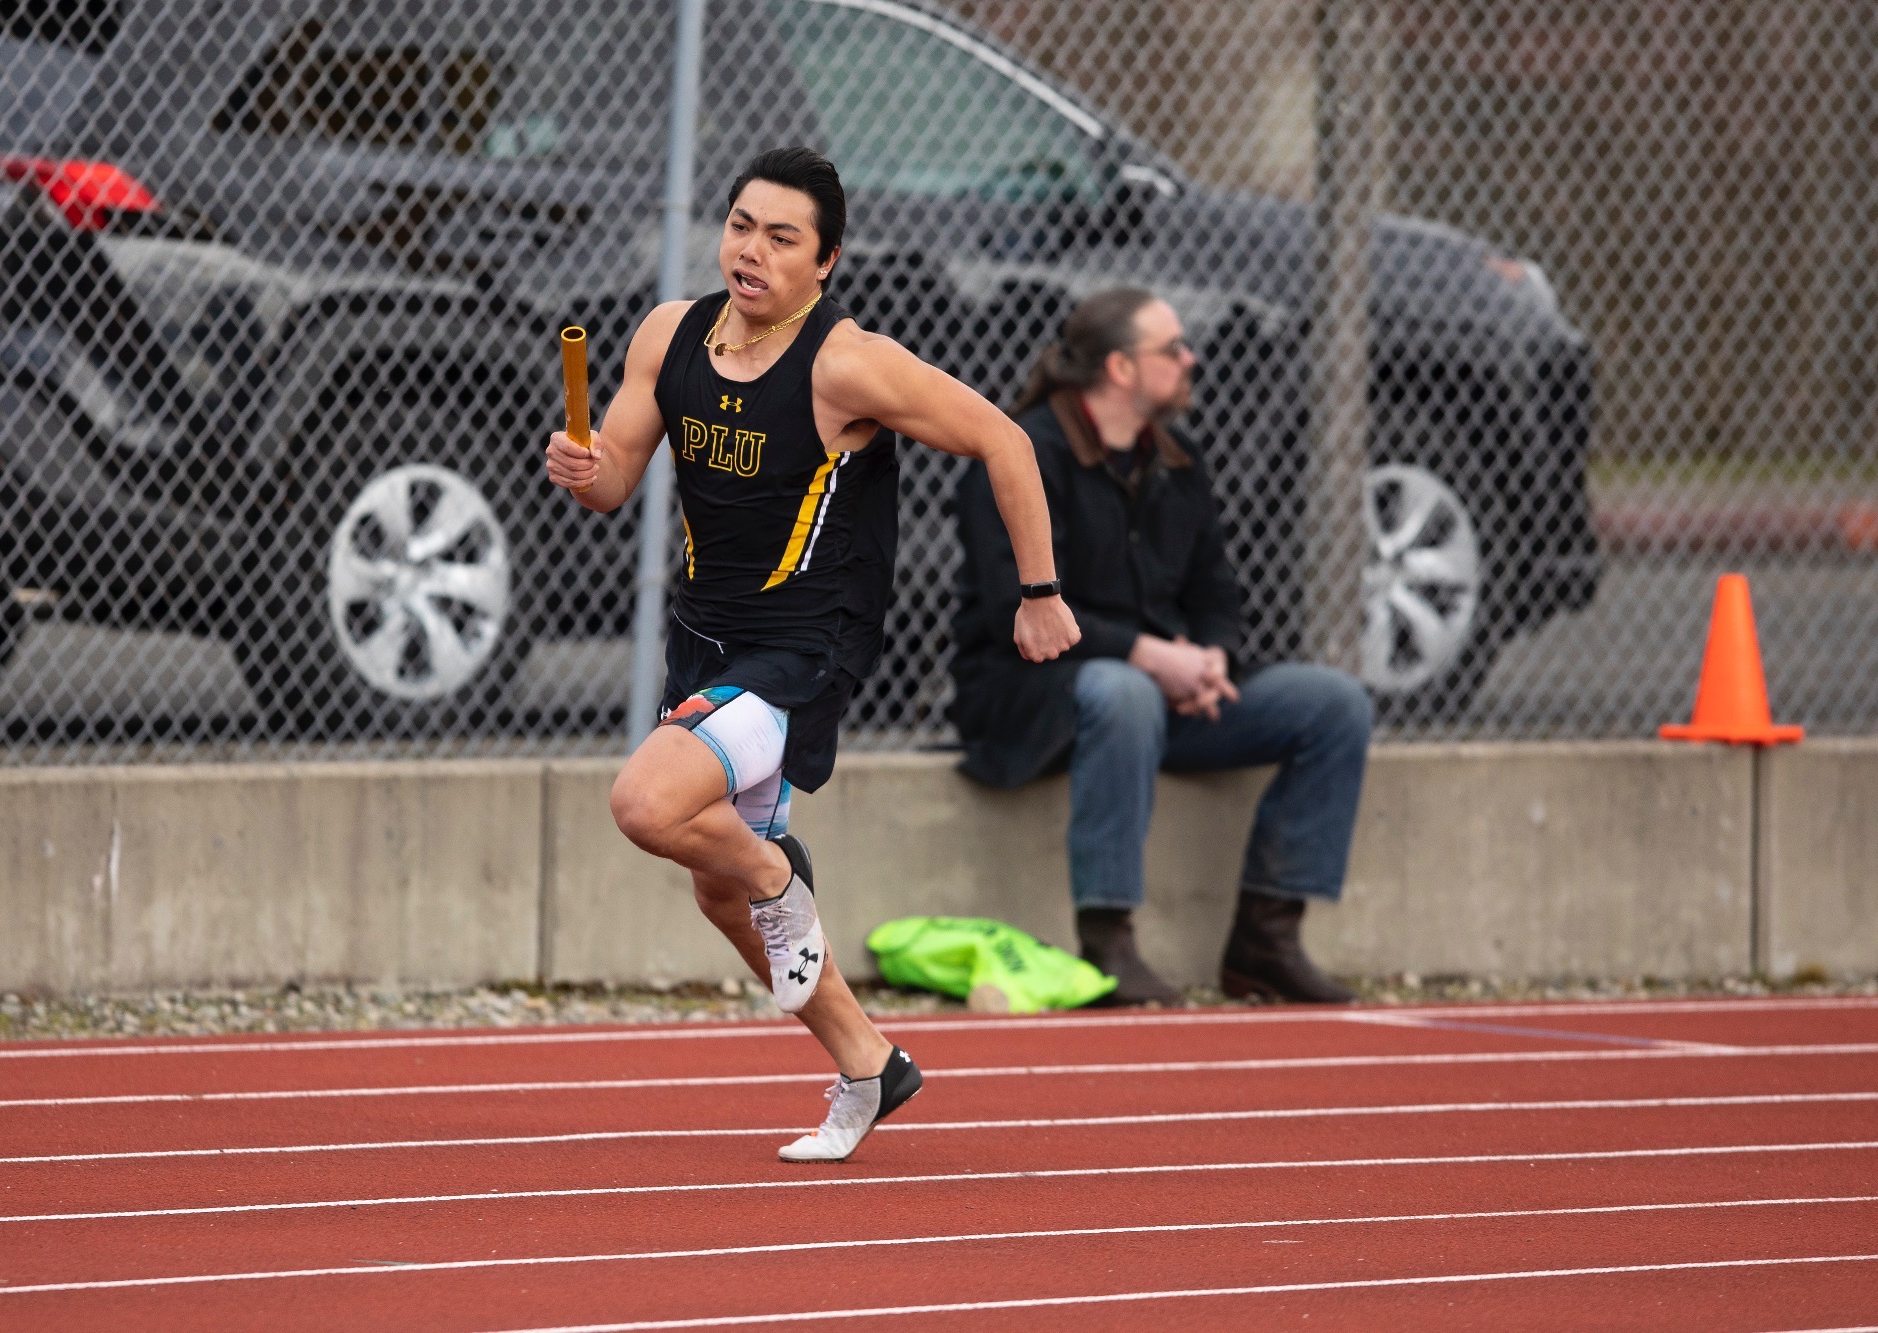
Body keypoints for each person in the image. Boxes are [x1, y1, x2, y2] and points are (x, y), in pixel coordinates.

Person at [545, 146, 1080, 1160]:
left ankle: (779, 879)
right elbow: (609, 480)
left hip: (803, 649)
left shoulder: (847, 364)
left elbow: (1005, 440)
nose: (751, 249)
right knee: (715, 886)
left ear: (824, 261)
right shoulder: (671, 334)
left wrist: (1040, 591)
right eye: (741, 225)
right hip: (704, 639)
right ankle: (870, 1064)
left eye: (780, 237)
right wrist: (579, 464)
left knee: (645, 805)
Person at [948, 287, 1372, 1006]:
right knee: (1124, 687)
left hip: (1161, 698)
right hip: (1031, 698)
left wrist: (1210, 660)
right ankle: (1109, 940)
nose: (1190, 359)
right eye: (1171, 349)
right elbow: (1006, 609)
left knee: (1334, 704)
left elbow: (1218, 593)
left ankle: (1265, 940)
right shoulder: (1024, 453)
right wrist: (1150, 655)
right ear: (1120, 367)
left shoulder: (1176, 458)